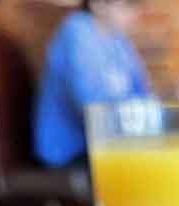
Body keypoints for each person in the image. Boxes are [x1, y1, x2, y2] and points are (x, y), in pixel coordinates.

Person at [34, 0, 150, 167]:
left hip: (108, 143)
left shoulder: (119, 40)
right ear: (98, 4)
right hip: (69, 152)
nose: (134, 14)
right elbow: (91, 109)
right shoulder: (77, 31)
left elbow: (142, 93)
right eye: (127, 5)